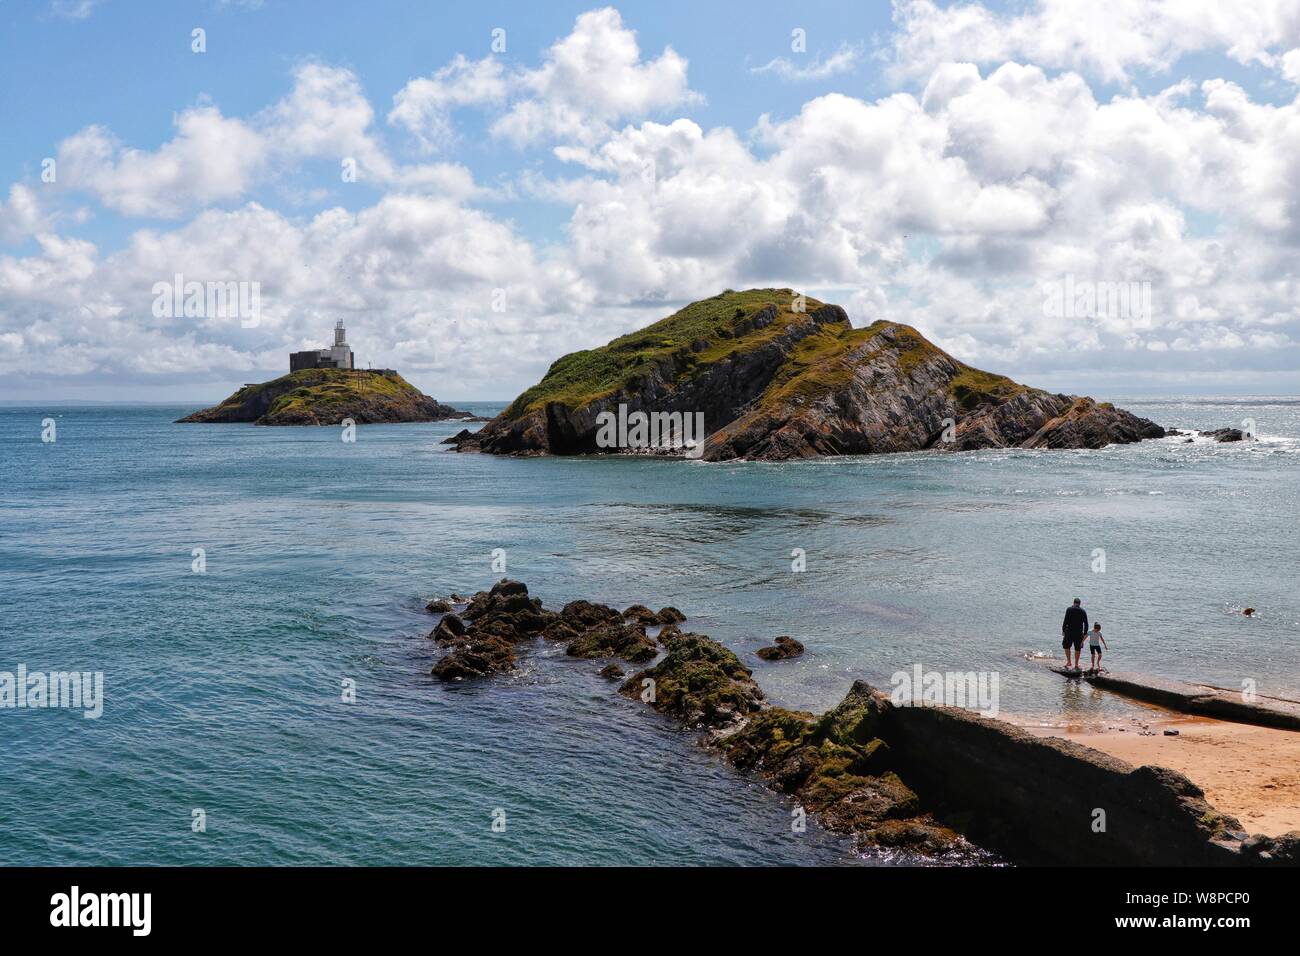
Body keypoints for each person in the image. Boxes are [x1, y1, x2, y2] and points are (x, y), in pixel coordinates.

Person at [1061, 598, 1088, 670]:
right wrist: (1085, 633)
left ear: (1073, 602)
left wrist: (1063, 630)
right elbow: (1086, 624)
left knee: (1066, 646)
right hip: (1078, 633)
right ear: (1080, 603)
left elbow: (1065, 620)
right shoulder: (1083, 611)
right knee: (1077, 648)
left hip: (1069, 631)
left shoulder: (1069, 609)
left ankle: (1069, 662)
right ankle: (1076, 664)